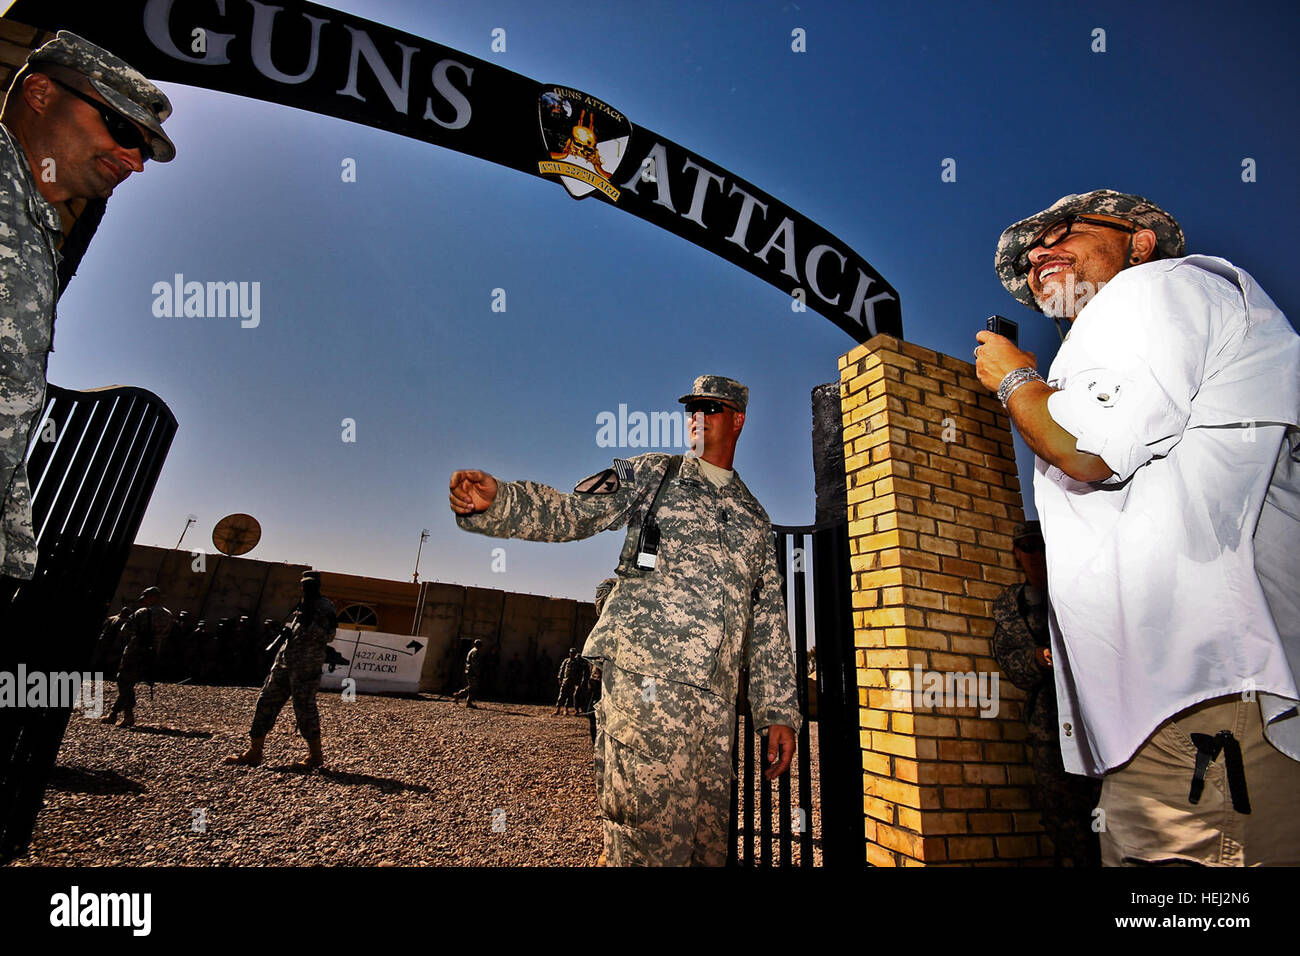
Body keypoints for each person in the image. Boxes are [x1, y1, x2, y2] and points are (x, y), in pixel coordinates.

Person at [977, 189, 1300, 865]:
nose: (1040, 252)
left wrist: (1015, 382)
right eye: (1031, 253)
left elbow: (1084, 448)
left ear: (1139, 240)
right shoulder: (1138, 342)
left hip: (1204, 695)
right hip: (1203, 701)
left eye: (1062, 231)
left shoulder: (1153, 290)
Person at [450, 374, 800, 866]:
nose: (696, 417)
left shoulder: (753, 518)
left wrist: (778, 711)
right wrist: (502, 502)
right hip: (645, 689)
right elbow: (574, 512)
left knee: (706, 849)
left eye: (711, 409)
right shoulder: (653, 474)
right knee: (644, 845)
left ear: (738, 419)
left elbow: (767, 622)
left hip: (716, 708)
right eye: (690, 409)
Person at [0, 31, 175, 589]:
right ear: (41, 93)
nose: (135, 161)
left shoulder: (36, 223)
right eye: (122, 129)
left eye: (145, 149)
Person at [991, 521, 1100, 866]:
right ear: (1017, 554)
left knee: (1113, 816)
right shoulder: (1013, 607)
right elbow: (1011, 663)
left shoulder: (1082, 591)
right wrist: (1038, 658)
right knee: (1063, 820)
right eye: (1027, 547)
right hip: (1050, 733)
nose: (1036, 554)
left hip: (1100, 725)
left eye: (1041, 545)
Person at [224, 571, 337, 771]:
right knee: (266, 701)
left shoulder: (324, 607)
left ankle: (315, 755)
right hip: (284, 663)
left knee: (304, 708)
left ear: (318, 586)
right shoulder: (300, 605)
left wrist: (312, 624)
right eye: (304, 584)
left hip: (306, 667)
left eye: (310, 585)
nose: (306, 588)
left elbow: (329, 636)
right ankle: (254, 751)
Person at [101, 587, 174, 727]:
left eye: (145, 598)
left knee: (123, 681)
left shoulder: (142, 612)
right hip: (152, 653)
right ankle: (114, 714)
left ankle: (127, 715)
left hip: (135, 651)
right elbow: (166, 635)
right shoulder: (168, 615)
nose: (144, 602)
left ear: (152, 597)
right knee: (130, 682)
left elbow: (125, 631)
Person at [451, 638, 483, 708]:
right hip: (472, 671)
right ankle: (459, 695)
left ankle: (468, 701)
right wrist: (477, 673)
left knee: (471, 686)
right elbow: (474, 663)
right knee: (472, 687)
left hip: (469, 671)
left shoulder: (472, 650)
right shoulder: (475, 651)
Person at [554, 647, 581, 716]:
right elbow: (561, 669)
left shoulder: (577, 663)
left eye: (573, 653)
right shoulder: (566, 661)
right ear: (569, 654)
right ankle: (558, 709)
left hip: (572, 682)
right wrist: (559, 678)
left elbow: (579, 673)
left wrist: (577, 682)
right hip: (565, 681)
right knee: (561, 695)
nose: (572, 655)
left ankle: (566, 710)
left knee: (569, 697)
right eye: (571, 653)